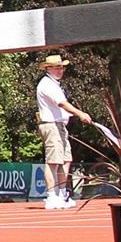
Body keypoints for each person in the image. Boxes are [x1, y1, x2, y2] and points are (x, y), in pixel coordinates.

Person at [36, 53, 91, 210]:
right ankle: (51, 196)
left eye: (62, 67)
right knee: (53, 161)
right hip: (51, 125)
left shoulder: (54, 84)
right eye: (57, 67)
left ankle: (61, 193)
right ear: (48, 68)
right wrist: (80, 114)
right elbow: (62, 104)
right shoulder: (47, 85)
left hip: (59, 125)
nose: (61, 70)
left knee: (66, 159)